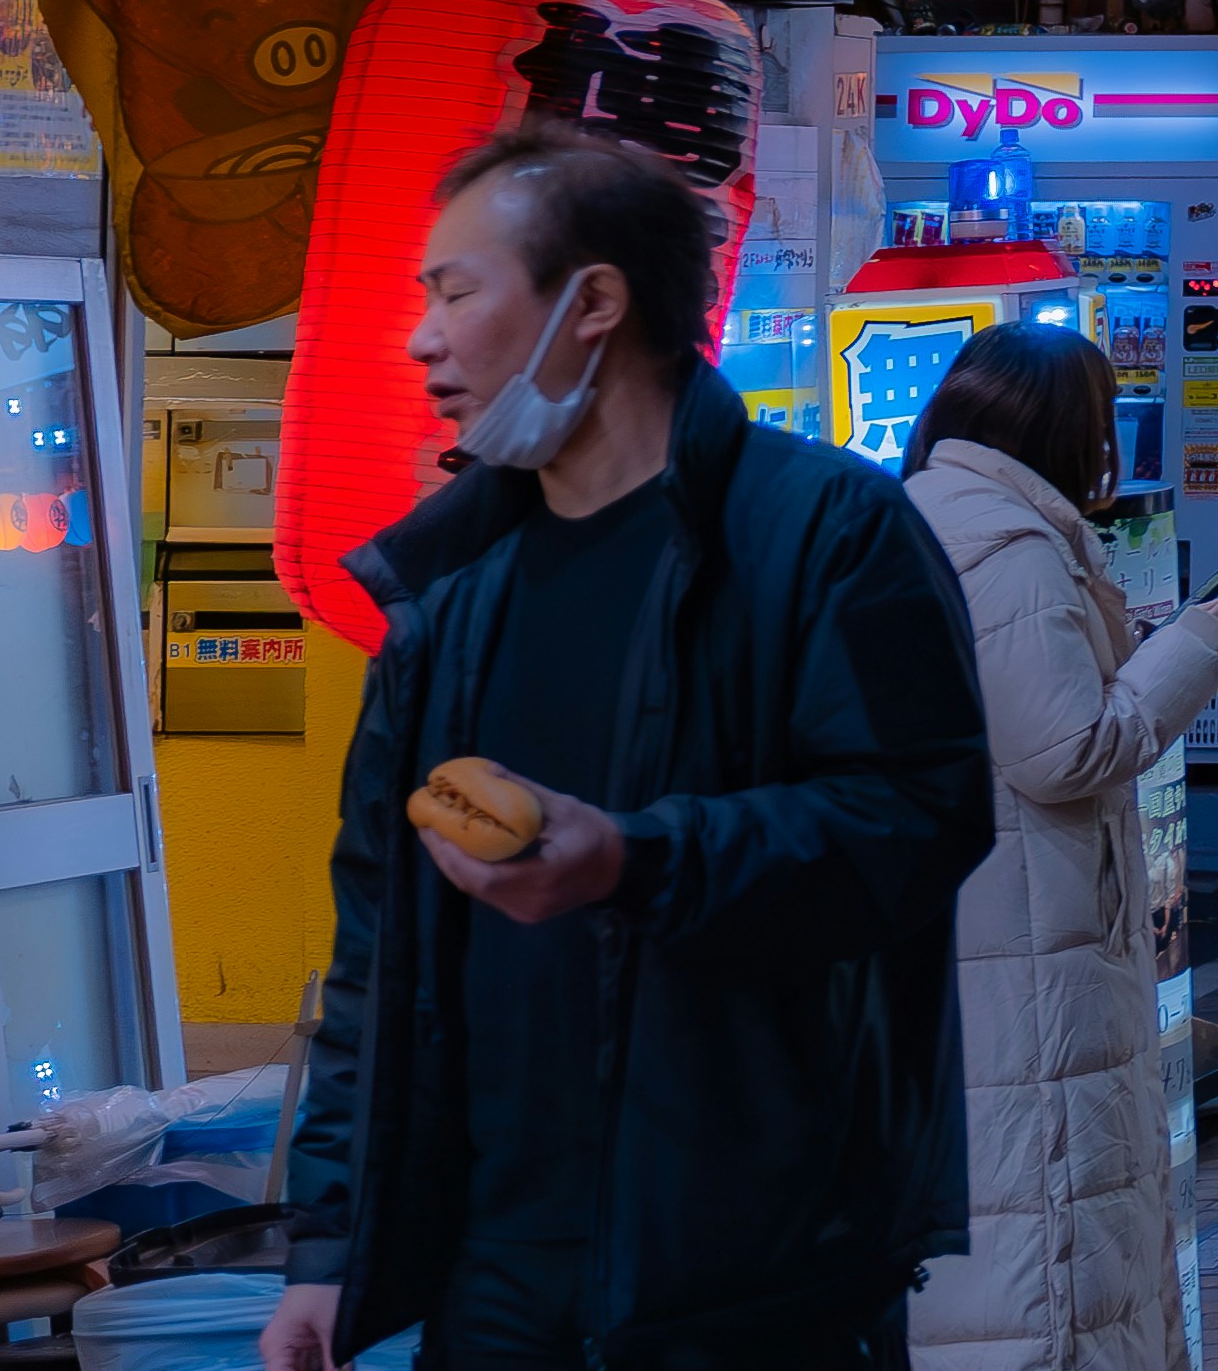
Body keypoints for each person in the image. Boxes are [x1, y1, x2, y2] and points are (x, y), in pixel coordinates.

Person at [269, 120, 997, 1371]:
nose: (422, 337)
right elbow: (375, 953)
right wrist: (331, 1250)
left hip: (755, 1270)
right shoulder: (447, 593)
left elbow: (920, 819)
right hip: (495, 1271)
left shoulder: (825, 531)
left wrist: (638, 859)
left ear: (593, 301)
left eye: (455, 290)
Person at [903, 326, 1218, 1371]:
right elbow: (1068, 747)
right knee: (1051, 1234)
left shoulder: (931, 516)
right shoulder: (1007, 550)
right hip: (1031, 940)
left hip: (997, 929)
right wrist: (1194, 643)